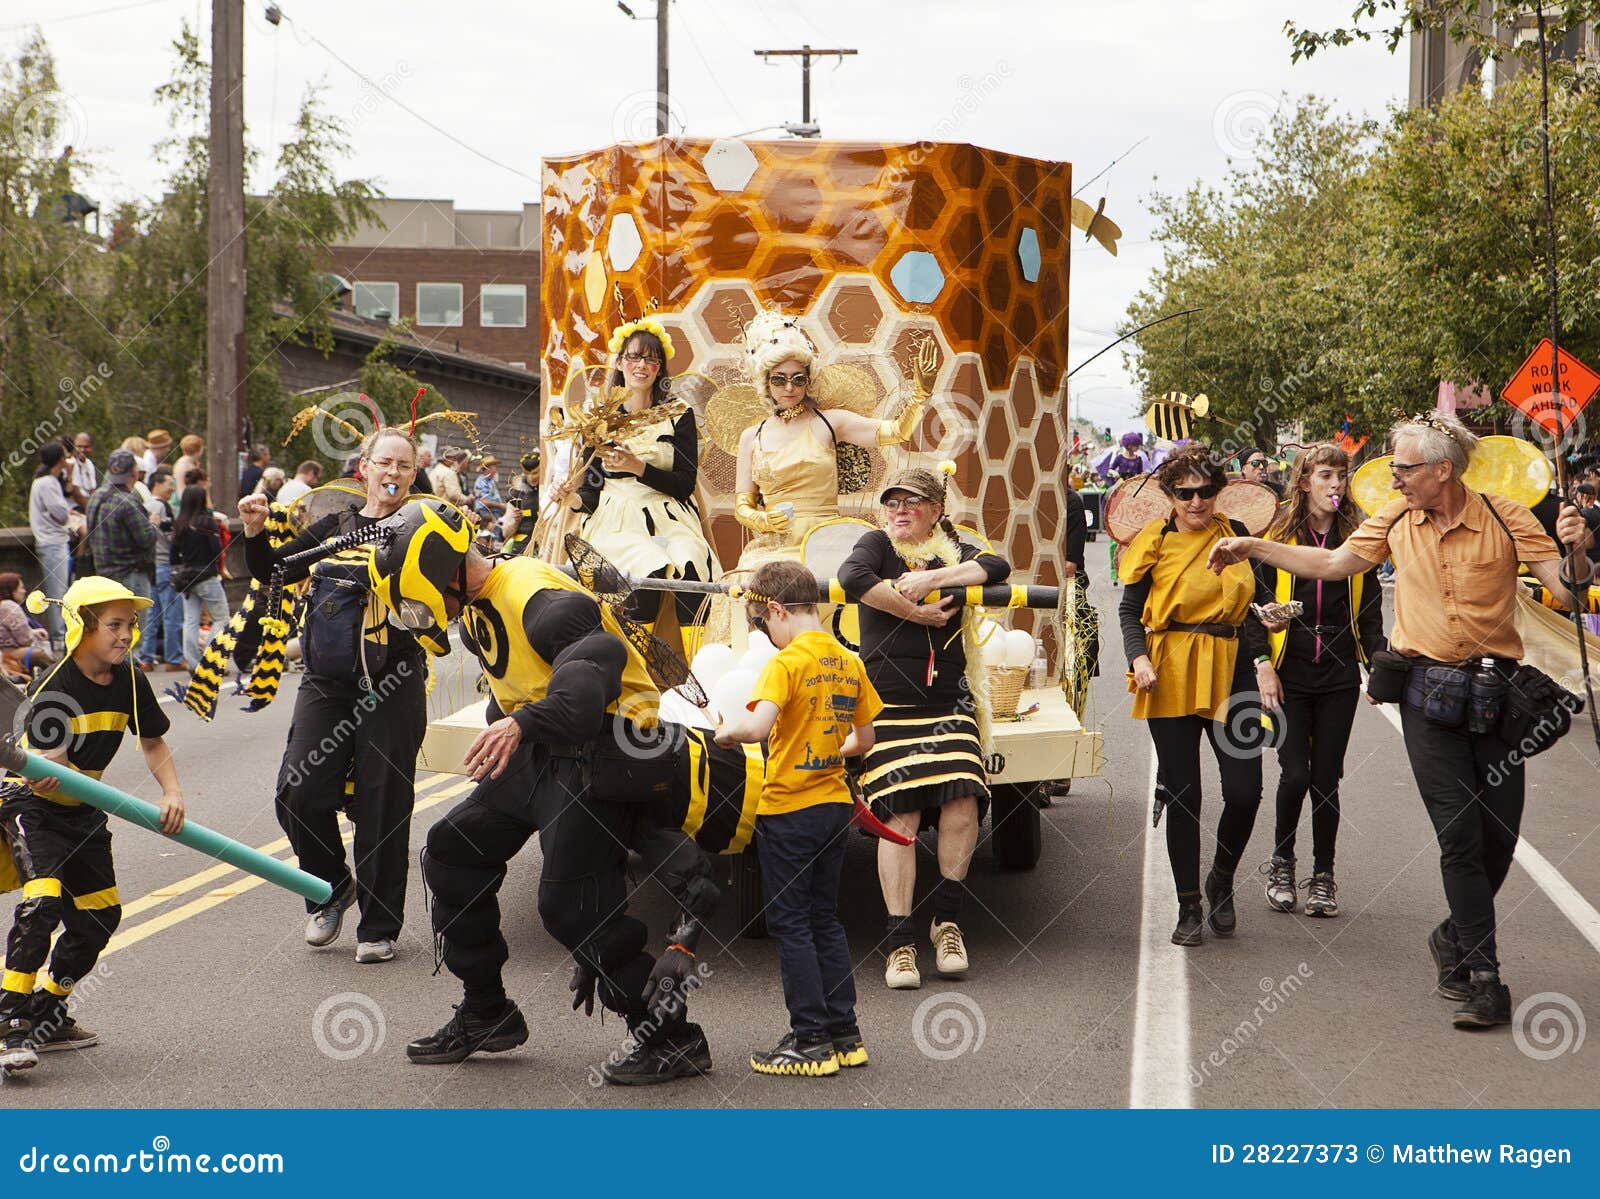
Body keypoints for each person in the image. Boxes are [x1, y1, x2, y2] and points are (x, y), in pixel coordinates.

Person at [1209, 411, 1595, 1029]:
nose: (1393, 478)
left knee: (1498, 840)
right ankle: (1483, 976)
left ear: (1442, 470)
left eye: (1404, 468)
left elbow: (1569, 594)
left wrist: (1578, 552)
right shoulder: (1392, 519)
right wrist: (1251, 546)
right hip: (1426, 698)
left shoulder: (1507, 516)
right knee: (1460, 836)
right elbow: (1331, 565)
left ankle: (1453, 934)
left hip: (1499, 698)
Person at [366, 501, 721, 1082]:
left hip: (602, 751)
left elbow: (583, 700)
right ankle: (488, 1013)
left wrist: (519, 724)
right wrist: (511, 723)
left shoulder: (542, 602)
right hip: (545, 749)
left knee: (570, 908)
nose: (421, 614)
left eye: (417, 598)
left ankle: (672, 1039)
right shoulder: (477, 604)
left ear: (439, 573)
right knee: (453, 850)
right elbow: (521, 681)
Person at [239, 427, 430, 966]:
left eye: (403, 466)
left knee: (382, 803)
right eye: (384, 462)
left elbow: (461, 589)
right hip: (327, 679)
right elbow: (274, 571)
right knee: (297, 792)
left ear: (413, 476)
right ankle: (330, 889)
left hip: (393, 680)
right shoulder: (335, 527)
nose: (392, 473)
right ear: (364, 468)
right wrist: (253, 530)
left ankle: (379, 926)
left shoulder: (425, 527)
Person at [0, 578, 185, 1073]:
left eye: (131, 624)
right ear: (82, 626)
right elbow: (53, 770)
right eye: (114, 625)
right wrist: (48, 773)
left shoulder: (131, 680)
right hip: (33, 805)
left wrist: (172, 793)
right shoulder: (53, 687)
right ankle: (11, 1020)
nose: (126, 635)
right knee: (43, 903)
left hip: (83, 809)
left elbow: (153, 742)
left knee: (100, 918)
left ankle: (47, 1010)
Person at [838, 466, 1009, 989]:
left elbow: (996, 566)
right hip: (887, 704)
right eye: (892, 503)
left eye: (911, 503)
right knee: (902, 813)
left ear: (936, 510)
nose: (899, 511)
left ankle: (946, 922)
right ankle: (899, 943)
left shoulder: (954, 550)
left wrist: (932, 579)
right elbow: (851, 578)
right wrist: (919, 615)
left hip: (948, 703)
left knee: (963, 800)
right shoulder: (876, 545)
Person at [716, 559, 882, 1076]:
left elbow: (754, 729)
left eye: (764, 623)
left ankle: (809, 1039)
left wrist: (725, 733)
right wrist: (826, 752)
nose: (767, 633)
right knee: (824, 919)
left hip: (789, 808)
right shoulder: (848, 660)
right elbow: (865, 740)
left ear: (776, 609)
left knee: (790, 924)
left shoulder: (785, 664)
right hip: (833, 805)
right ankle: (844, 1034)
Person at [1121, 447, 1266, 947]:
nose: (1197, 501)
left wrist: (1269, 633)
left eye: (1205, 491)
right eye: (1185, 493)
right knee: (1185, 796)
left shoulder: (1236, 533)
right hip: (1171, 669)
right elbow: (1129, 610)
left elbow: (1260, 601)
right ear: (1170, 495)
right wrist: (1138, 658)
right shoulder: (1154, 539)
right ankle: (1188, 905)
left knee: (1245, 791)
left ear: (1218, 491)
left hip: (1233, 668)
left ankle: (1221, 878)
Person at [1252, 444, 1385, 918]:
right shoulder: (1276, 537)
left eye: (1341, 476)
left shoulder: (1359, 541)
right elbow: (1250, 607)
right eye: (1326, 475)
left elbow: (1370, 613)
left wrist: (1379, 666)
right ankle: (1282, 863)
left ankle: (1323, 876)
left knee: (1326, 780)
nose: (1336, 484)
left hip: (1338, 675)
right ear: (1305, 481)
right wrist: (1261, 662)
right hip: (1288, 673)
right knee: (1295, 775)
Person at [727, 310, 923, 587]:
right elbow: (742, 507)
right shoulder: (752, 436)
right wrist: (762, 520)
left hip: (827, 541)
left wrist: (920, 395)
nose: (789, 387)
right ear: (766, 382)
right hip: (774, 546)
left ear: (808, 380)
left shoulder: (830, 422)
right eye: (779, 379)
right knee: (753, 585)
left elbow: (897, 432)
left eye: (798, 379)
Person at [570, 320, 718, 637]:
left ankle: (699, 661)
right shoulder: (600, 418)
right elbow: (591, 493)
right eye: (634, 357)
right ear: (620, 362)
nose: (642, 366)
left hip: (670, 516)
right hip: (615, 518)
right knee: (646, 568)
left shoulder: (678, 413)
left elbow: (684, 485)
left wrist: (639, 468)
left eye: (651, 359)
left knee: (691, 563)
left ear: (659, 368)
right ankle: (641, 664)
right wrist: (571, 497)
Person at [84, 450, 158, 656]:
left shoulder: (95, 497)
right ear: (134, 473)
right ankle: (129, 672)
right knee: (132, 634)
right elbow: (146, 538)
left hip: (103, 573)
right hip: (130, 574)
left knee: (110, 634)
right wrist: (153, 523)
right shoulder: (128, 501)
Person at [169, 485, 231, 671]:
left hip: (186, 578)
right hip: (206, 575)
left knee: (190, 620)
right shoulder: (207, 522)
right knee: (222, 618)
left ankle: (193, 662)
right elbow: (216, 550)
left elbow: (173, 556)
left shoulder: (179, 523)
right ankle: (209, 657)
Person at [136, 469, 186, 673]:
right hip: (165, 563)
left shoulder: (144, 505)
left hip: (152, 565)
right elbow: (169, 535)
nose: (172, 488)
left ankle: (145, 657)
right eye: (169, 484)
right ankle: (174, 658)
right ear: (156, 484)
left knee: (152, 614)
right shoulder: (160, 506)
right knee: (172, 614)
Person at [28, 444, 75, 648]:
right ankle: (59, 639)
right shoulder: (47, 483)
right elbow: (61, 513)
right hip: (53, 543)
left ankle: (61, 637)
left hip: (52, 542)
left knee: (60, 591)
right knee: (58, 594)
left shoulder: (45, 481)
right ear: (60, 460)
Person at [0, 572, 55, 680]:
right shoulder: (10, 607)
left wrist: (34, 632)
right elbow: (26, 640)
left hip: (5, 651)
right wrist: (36, 637)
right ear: (12, 590)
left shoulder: (3, 605)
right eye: (21, 588)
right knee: (39, 654)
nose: (24, 591)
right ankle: (58, 676)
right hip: (9, 653)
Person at [67, 432, 98, 500]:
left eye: (86, 447)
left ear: (91, 448)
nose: (82, 450)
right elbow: (75, 493)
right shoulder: (69, 463)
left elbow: (92, 489)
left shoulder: (89, 464)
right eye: (79, 446)